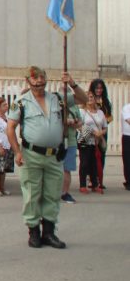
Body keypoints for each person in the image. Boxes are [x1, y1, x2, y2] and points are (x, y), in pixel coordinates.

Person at [6, 66, 87, 249]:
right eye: (34, 79)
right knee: (32, 194)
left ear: (46, 79)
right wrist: (17, 152)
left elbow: (83, 99)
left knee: (52, 194)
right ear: (28, 81)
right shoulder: (21, 102)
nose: (38, 82)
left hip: (54, 156)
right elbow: (10, 128)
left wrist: (72, 83)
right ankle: (33, 232)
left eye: (41, 78)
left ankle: (49, 232)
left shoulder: (58, 99)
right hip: (31, 155)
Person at [78, 91, 107, 194]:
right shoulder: (81, 111)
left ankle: (95, 185)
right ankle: (82, 185)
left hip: (96, 142)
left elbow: (105, 127)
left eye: (91, 97)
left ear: (95, 99)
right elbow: (79, 125)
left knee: (95, 163)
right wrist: (94, 132)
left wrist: (100, 133)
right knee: (85, 163)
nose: (90, 98)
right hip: (84, 140)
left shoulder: (100, 112)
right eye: (87, 97)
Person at [88, 79, 112, 188]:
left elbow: (109, 118)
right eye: (97, 88)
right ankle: (90, 179)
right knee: (90, 155)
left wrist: (102, 128)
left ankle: (99, 179)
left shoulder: (106, 102)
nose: (99, 90)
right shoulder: (89, 100)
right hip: (90, 133)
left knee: (101, 155)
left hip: (102, 132)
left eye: (101, 88)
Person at [60, 99, 82, 204]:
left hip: (71, 141)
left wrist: (74, 122)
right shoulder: (55, 106)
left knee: (67, 169)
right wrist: (65, 121)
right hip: (56, 141)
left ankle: (65, 193)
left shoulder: (75, 107)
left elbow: (80, 122)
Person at [122, 101, 130, 191]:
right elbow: (128, 120)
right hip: (128, 136)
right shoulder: (127, 107)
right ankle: (128, 181)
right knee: (128, 159)